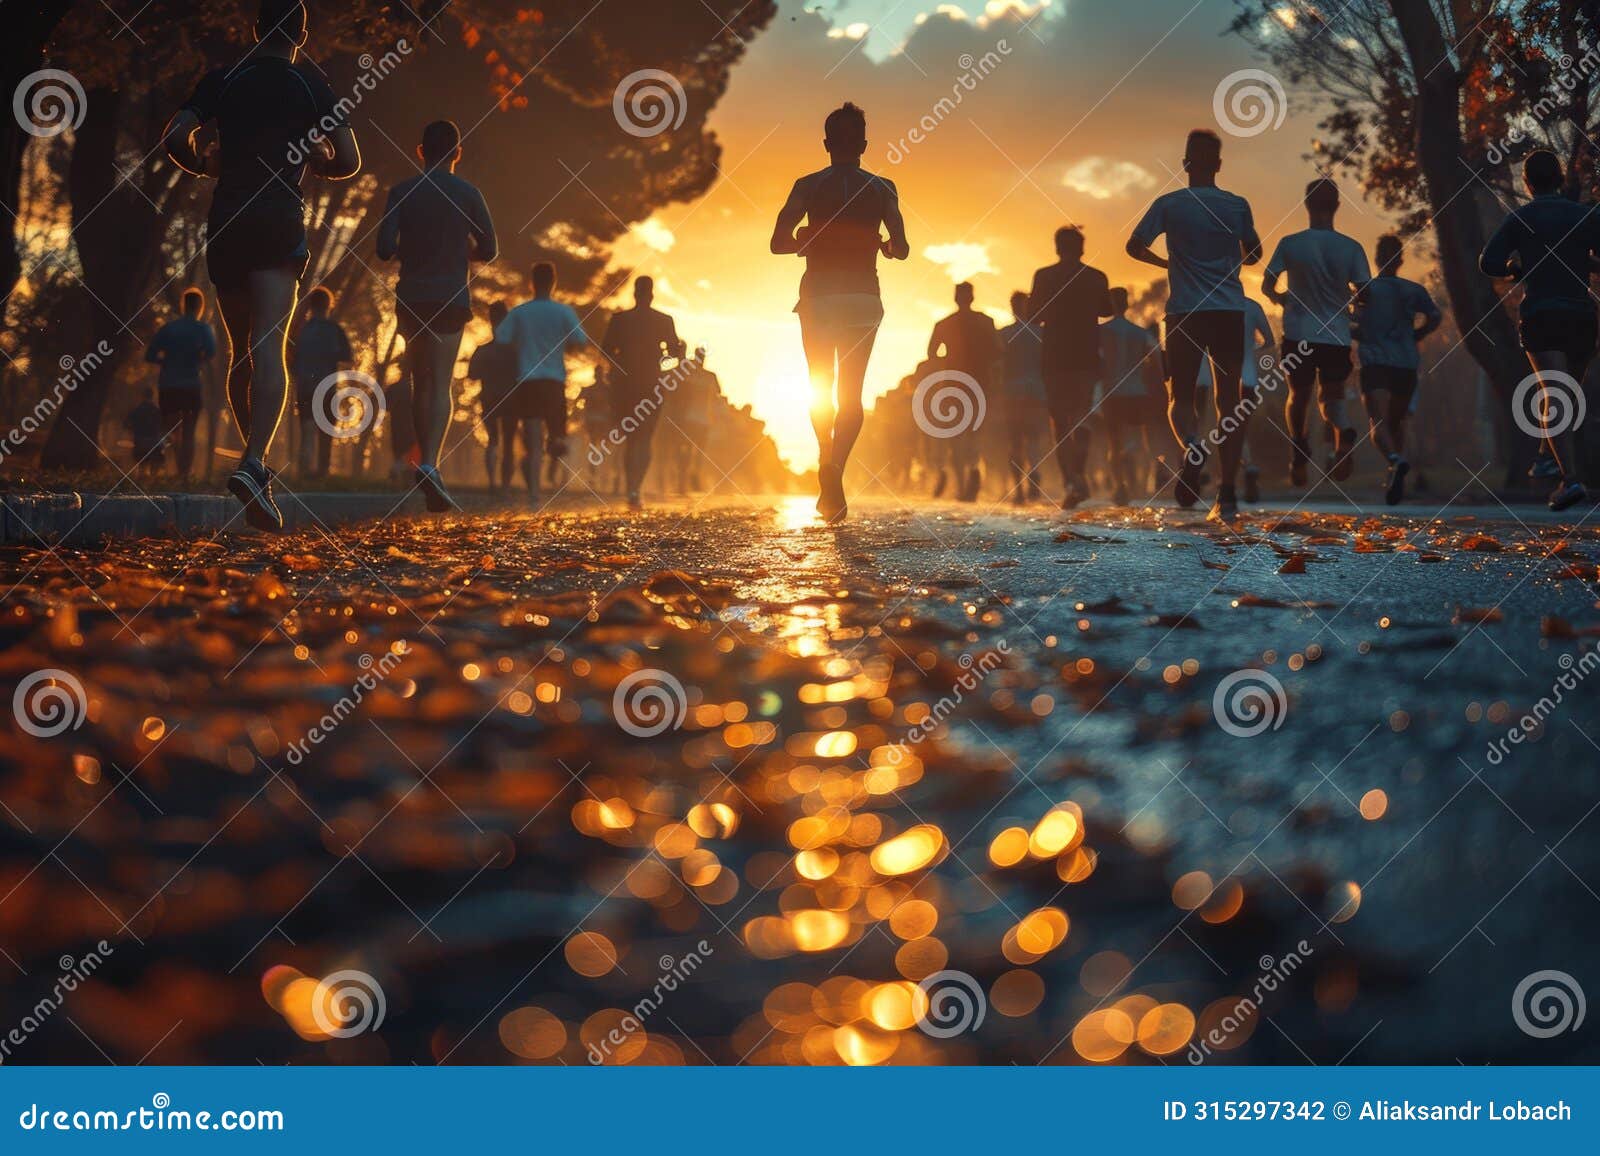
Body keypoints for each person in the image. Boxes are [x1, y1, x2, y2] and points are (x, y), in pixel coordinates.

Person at [162, 0, 361, 529]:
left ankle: (254, 465)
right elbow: (350, 159)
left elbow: (174, 136)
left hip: (227, 221)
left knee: (239, 354)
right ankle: (254, 463)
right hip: (278, 220)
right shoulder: (311, 87)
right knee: (269, 346)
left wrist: (202, 167)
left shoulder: (222, 80)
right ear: (300, 34)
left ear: (254, 30)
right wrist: (316, 162)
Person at [771, 101, 909, 522]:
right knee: (852, 392)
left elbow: (778, 242)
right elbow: (901, 249)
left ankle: (825, 457)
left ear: (827, 143)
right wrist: (882, 245)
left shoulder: (807, 185)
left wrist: (808, 239)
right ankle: (837, 470)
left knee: (820, 384)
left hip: (819, 297)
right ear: (864, 144)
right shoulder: (884, 187)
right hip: (863, 298)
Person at [1128, 129, 1262, 520]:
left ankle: (1191, 446)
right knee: (1229, 402)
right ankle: (1229, 492)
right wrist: (1233, 258)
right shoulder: (1237, 205)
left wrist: (1166, 264)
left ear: (1185, 163)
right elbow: (1254, 252)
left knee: (1180, 399)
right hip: (1228, 312)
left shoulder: (1169, 204)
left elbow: (1134, 246)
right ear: (1219, 165)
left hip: (1185, 312)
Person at [376, 119, 498, 512]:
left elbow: (382, 248)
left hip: (412, 297)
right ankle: (430, 462)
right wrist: (463, 254)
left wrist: (409, 250)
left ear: (421, 151)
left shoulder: (402, 192)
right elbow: (490, 248)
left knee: (418, 379)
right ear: (457, 154)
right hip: (451, 297)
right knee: (441, 382)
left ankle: (424, 462)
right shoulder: (468, 193)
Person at [1481, 149, 1598, 511]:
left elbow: (1489, 262)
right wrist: (1582, 259)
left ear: (1527, 183)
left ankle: (1570, 480)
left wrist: (1517, 267)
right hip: (1581, 316)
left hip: (1542, 314)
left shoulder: (1522, 217)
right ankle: (1547, 457)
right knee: (1565, 393)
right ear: (1561, 179)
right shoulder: (1584, 216)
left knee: (1555, 392)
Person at [1263, 178, 1371, 487]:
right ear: (1337, 206)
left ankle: (1299, 448)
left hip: (1299, 334)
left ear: (1307, 205)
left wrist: (1280, 298)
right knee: (1332, 396)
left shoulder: (1290, 243)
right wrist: (1351, 302)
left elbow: (1267, 283)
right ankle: (1344, 430)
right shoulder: (1352, 248)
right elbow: (1365, 292)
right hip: (1336, 335)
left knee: (1298, 395)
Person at [1355, 235, 1442, 505]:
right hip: (1405, 363)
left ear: (1377, 258)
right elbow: (1435, 316)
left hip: (1375, 362)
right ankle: (1396, 471)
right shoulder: (1413, 290)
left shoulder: (1365, 290)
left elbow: (1354, 323)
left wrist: (1360, 332)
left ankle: (1395, 460)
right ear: (1401, 259)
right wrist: (1417, 334)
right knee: (1396, 422)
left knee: (1378, 422)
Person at [1030, 227, 1113, 508]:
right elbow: (1107, 309)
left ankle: (1071, 480)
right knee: (1082, 416)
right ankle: (1079, 471)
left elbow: (1032, 314)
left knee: (1060, 422)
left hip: (1054, 357)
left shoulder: (1043, 276)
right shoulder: (1096, 277)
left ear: (1056, 248)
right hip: (1087, 356)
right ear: (1081, 248)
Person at [496, 262, 588, 503]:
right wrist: (565, 345)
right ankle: (556, 444)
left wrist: (520, 342)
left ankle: (535, 494)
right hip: (554, 380)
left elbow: (501, 338)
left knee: (533, 440)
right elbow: (581, 340)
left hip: (528, 380)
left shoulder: (520, 312)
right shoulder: (564, 312)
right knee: (557, 431)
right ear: (554, 282)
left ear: (532, 282)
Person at [600, 276, 685, 507]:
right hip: (651, 384)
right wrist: (665, 359)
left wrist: (619, 366)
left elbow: (605, 350)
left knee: (631, 438)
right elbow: (676, 356)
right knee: (645, 438)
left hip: (623, 385)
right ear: (652, 294)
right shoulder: (664, 320)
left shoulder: (619, 320)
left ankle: (631, 489)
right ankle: (636, 488)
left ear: (635, 294)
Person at [1194, 296, 1275, 503]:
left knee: (1210, 426)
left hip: (1207, 379)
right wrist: (1250, 352)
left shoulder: (1207, 303)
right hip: (1247, 378)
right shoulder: (1252, 306)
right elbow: (1270, 341)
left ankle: (1209, 475)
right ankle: (1248, 466)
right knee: (1238, 427)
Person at [927, 282, 1000, 502]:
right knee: (975, 431)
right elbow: (998, 352)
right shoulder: (985, 322)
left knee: (956, 435)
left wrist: (947, 363)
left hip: (953, 384)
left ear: (956, 298)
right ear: (972, 298)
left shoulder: (944, 323)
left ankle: (962, 483)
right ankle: (974, 468)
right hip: (980, 383)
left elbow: (931, 354)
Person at [1098, 287, 1166, 505]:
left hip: (1112, 392)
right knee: (1138, 436)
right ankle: (1145, 471)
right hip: (1137, 391)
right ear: (1126, 304)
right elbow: (1157, 360)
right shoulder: (1140, 333)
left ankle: (1120, 487)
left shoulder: (1101, 331)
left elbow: (1094, 360)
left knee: (1113, 442)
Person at [145, 287, 216, 480]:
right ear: (200, 306)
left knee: (170, 430)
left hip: (168, 385)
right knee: (189, 431)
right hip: (191, 385)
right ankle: (184, 473)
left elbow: (150, 355)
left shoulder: (168, 329)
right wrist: (197, 360)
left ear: (183, 305)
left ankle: (170, 468)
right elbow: (211, 351)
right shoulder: (203, 329)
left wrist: (165, 362)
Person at [289, 286, 354, 479]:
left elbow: (292, 360)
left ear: (311, 305)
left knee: (307, 429)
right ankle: (322, 471)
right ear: (329, 305)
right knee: (326, 431)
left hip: (305, 387)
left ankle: (304, 470)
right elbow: (348, 355)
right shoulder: (334, 329)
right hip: (327, 387)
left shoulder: (302, 331)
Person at [999, 291, 1049, 505]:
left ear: (1012, 307)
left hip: (1013, 391)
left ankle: (1019, 488)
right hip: (1037, 390)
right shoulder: (1041, 332)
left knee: (1015, 440)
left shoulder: (1004, 334)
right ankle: (1034, 471)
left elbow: (998, 365)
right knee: (1033, 438)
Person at [466, 300, 519, 490]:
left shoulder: (483, 350)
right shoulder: (515, 350)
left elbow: (472, 375)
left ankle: (492, 483)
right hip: (512, 399)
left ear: (490, 321)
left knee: (493, 440)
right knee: (508, 442)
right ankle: (505, 485)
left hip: (489, 397)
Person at [125, 388, 166, 475]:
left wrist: (133, 430)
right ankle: (153, 478)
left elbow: (126, 424)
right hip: (155, 443)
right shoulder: (157, 410)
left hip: (140, 442)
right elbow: (163, 426)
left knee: (142, 467)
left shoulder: (136, 410)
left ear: (142, 396)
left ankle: (142, 481)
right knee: (157, 462)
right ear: (152, 396)